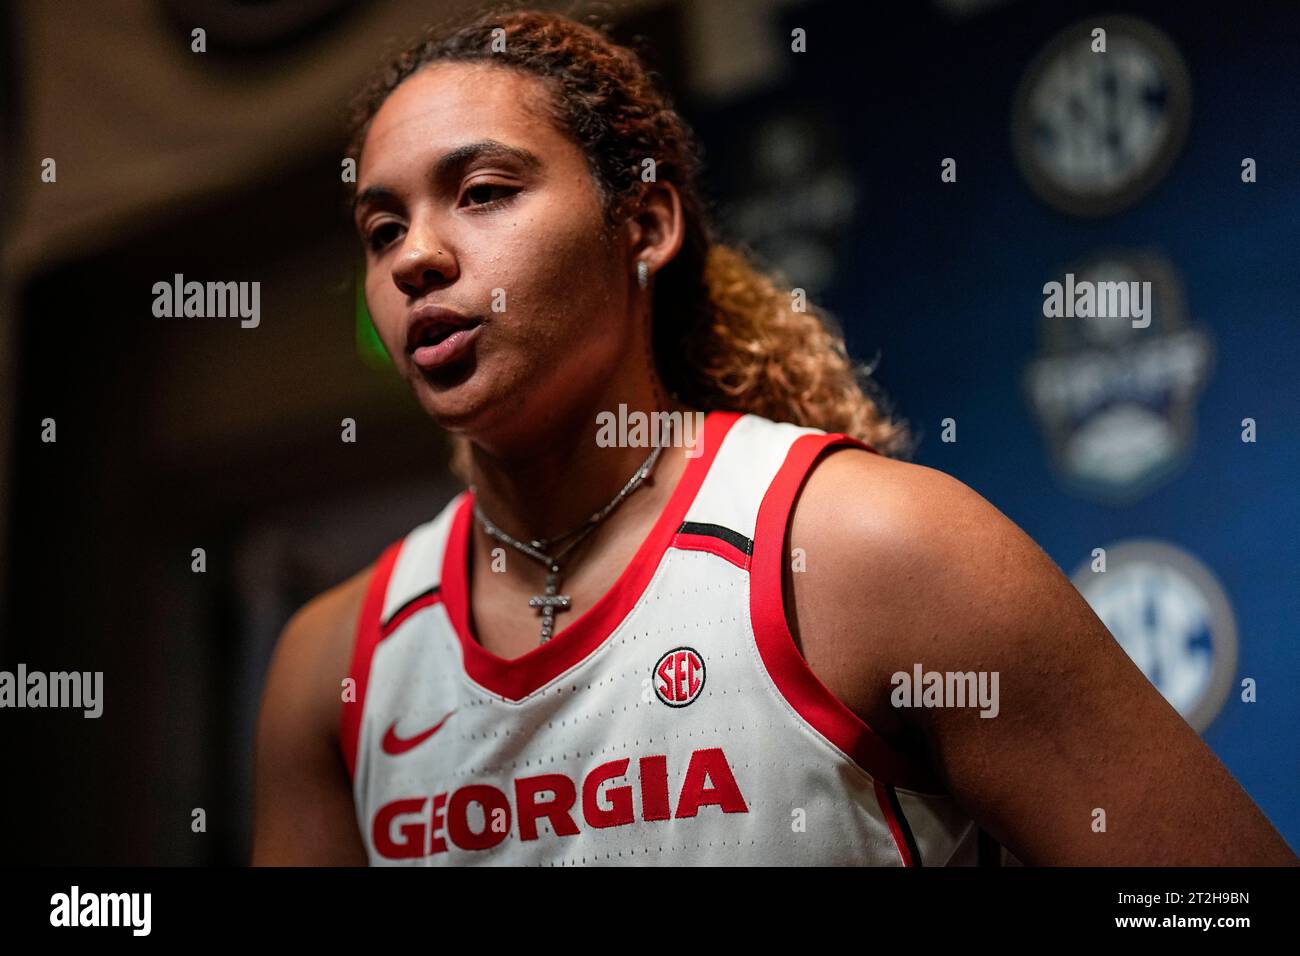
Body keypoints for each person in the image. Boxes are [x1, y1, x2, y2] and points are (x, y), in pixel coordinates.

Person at [251, 7, 1297, 866]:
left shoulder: (879, 554)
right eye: (382, 228)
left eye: (482, 193)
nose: (415, 257)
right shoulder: (332, 664)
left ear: (644, 226)